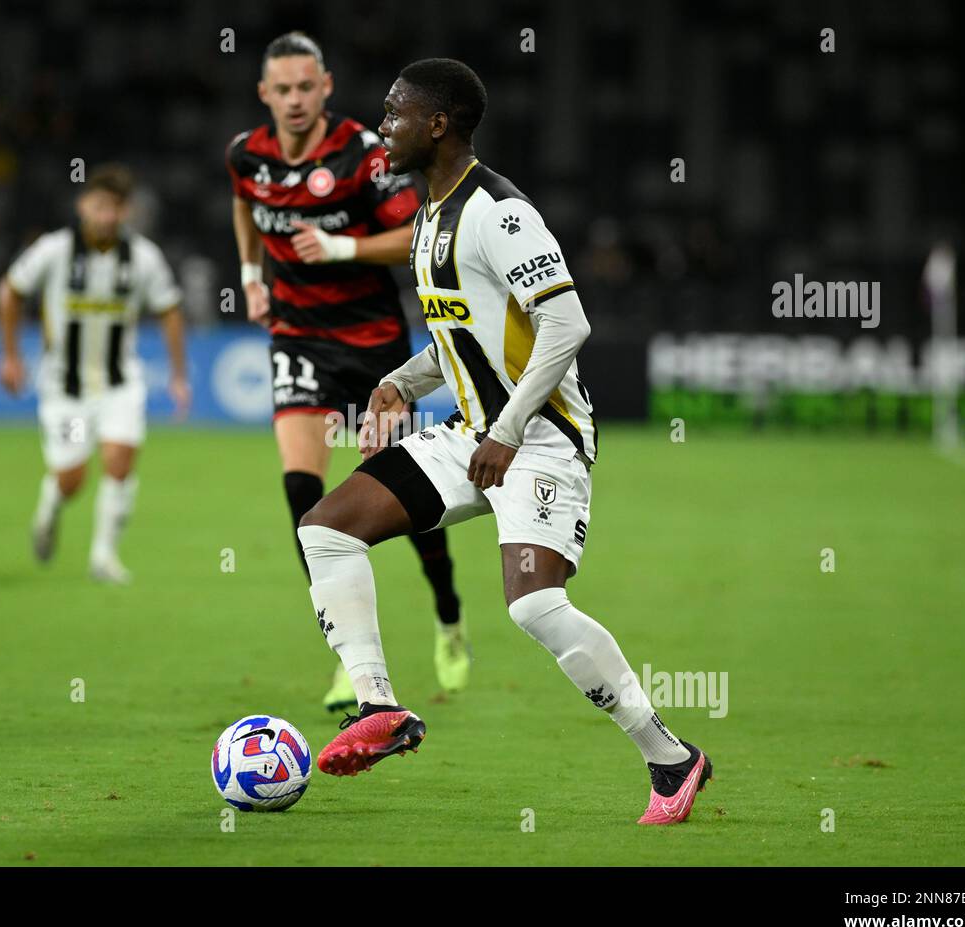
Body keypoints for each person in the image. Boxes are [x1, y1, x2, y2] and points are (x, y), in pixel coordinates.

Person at [297, 59, 712, 825]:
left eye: (394, 114)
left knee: (534, 607)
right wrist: (400, 382)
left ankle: (671, 758)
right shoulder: (427, 216)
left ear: (439, 124)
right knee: (325, 530)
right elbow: (462, 340)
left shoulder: (499, 212)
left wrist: (508, 427)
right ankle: (379, 707)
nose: (381, 127)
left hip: (539, 439)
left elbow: (567, 324)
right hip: (471, 436)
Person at [227, 32, 468, 710]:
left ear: (326, 87)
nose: (296, 99)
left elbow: (417, 233)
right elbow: (244, 202)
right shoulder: (247, 155)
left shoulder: (365, 155)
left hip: (373, 350)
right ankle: (348, 658)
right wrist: (250, 273)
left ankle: (448, 618)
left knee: (411, 504)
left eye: (308, 87)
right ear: (265, 94)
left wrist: (340, 245)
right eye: (284, 89)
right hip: (298, 339)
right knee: (303, 496)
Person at [0, 163, 190, 584]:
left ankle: (103, 557)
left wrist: (179, 375)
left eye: (116, 208)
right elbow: (10, 291)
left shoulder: (142, 257)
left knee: (120, 461)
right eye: (100, 206)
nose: (107, 216)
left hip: (121, 383)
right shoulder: (54, 250)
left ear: (126, 212)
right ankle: (50, 505)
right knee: (72, 479)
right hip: (65, 386)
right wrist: (9, 356)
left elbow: (170, 311)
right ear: (84, 205)